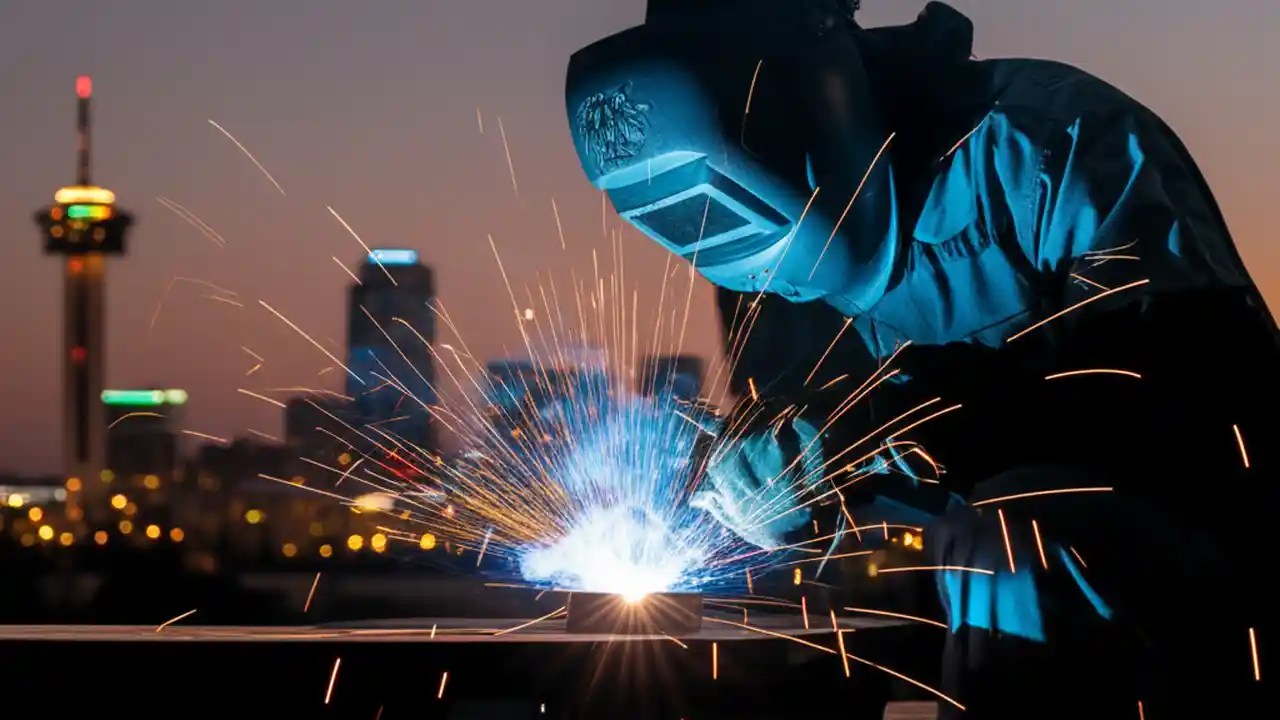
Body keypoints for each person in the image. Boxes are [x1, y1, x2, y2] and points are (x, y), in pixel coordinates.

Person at [566, 1, 1279, 717]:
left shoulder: (1049, 145)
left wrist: (886, 437)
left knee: (1010, 533)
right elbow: (834, 503)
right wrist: (759, 498)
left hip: (1199, 593)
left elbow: (1204, 403)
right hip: (949, 610)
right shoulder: (754, 271)